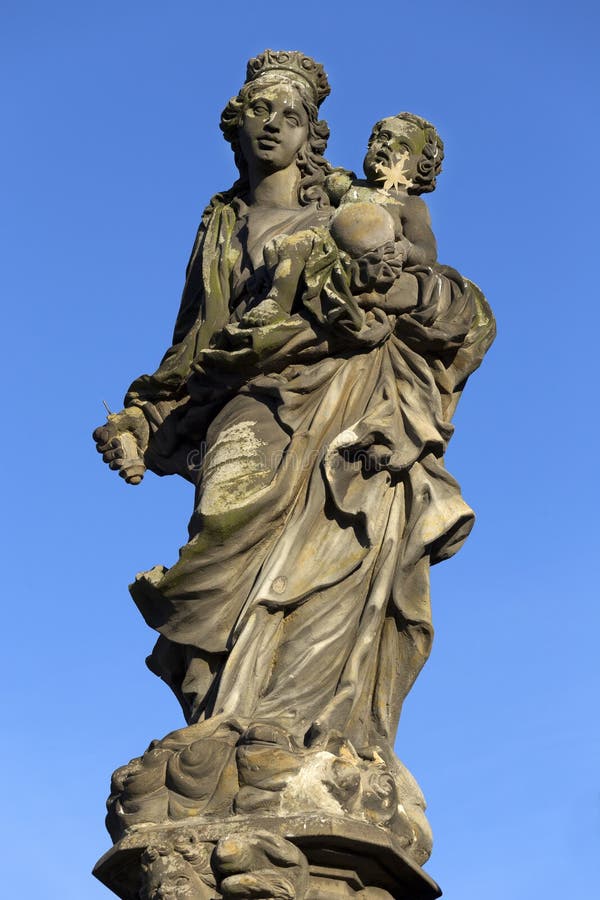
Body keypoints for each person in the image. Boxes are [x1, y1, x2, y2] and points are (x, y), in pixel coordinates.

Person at [93, 51, 495, 861]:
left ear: (314, 133)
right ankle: (220, 728)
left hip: (344, 404)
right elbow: (193, 347)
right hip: (251, 405)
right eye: (259, 108)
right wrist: (141, 419)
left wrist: (392, 289)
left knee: (334, 565)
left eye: (290, 112)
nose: (272, 121)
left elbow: (460, 309)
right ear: (235, 124)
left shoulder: (358, 204)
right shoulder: (221, 224)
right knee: (218, 551)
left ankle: (301, 738)